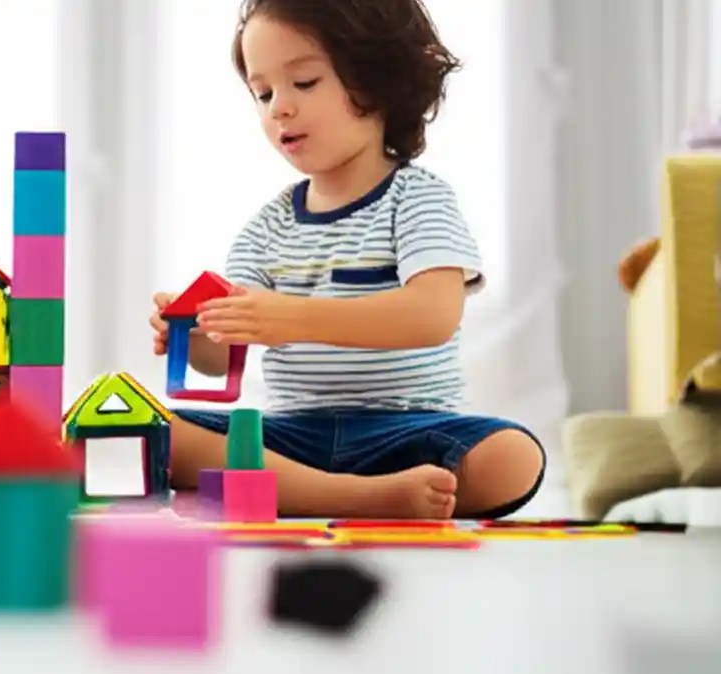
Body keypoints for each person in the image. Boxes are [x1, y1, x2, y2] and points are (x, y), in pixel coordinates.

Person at [150, 0, 544, 519]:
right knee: (148, 430)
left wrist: (291, 317)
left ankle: (295, 492)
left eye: (305, 83)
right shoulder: (266, 227)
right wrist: (195, 329)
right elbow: (221, 358)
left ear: (378, 82)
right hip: (295, 434)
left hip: (407, 430)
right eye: (263, 93)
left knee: (512, 457)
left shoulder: (418, 199)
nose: (279, 108)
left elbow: (432, 315)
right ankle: (365, 498)